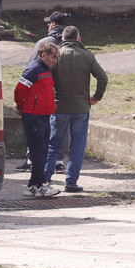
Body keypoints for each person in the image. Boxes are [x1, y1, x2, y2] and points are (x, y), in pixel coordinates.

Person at [44, 26, 108, 192]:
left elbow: (45, 78)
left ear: (62, 39)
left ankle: (45, 182)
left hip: (59, 107)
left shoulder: (57, 55)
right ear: (79, 39)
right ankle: (71, 183)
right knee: (78, 148)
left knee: (53, 146)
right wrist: (96, 97)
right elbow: (102, 78)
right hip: (81, 108)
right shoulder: (87, 55)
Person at [14, 42, 62, 198]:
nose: (55, 60)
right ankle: (41, 185)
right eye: (53, 57)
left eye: (56, 57)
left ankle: (32, 186)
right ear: (43, 55)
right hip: (33, 116)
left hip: (43, 115)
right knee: (38, 151)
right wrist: (20, 106)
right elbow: (19, 89)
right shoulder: (33, 69)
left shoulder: (46, 68)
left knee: (41, 151)